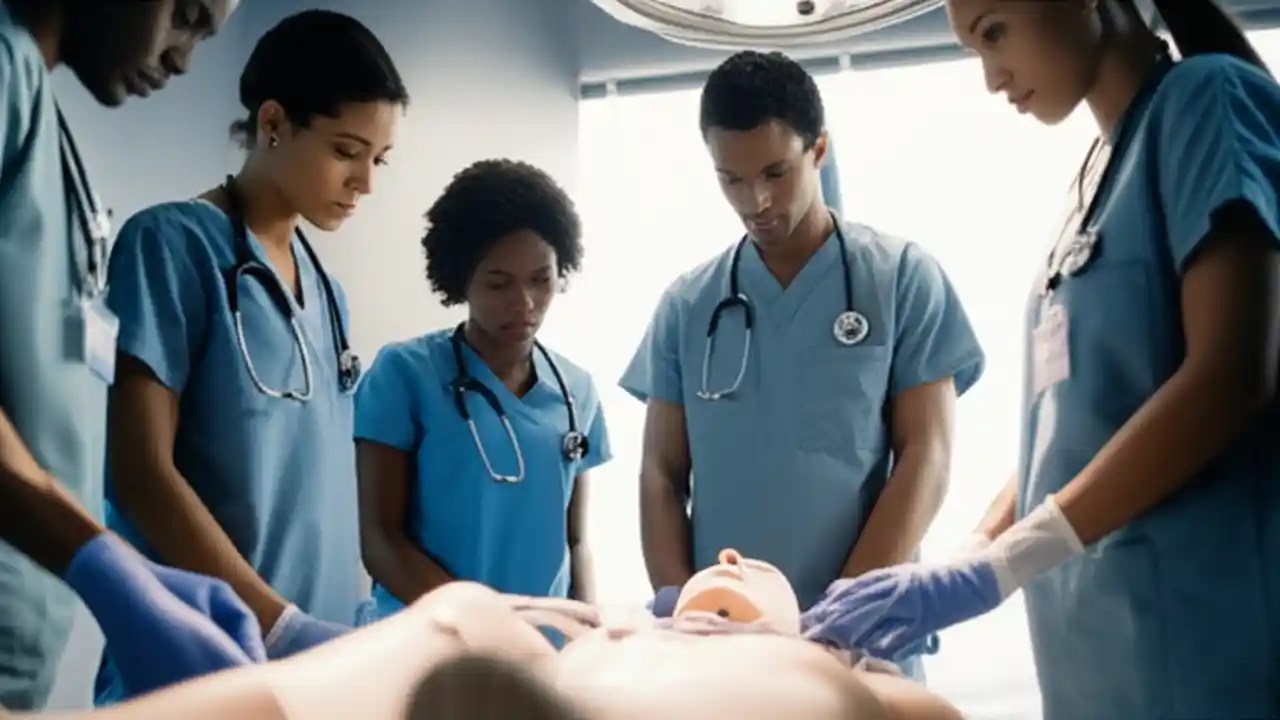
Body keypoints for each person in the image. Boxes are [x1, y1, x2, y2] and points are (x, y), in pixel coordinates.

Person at [801, 1, 1280, 718]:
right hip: (1095, 665)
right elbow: (1070, 434)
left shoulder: (1205, 101)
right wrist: (974, 553)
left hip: (1207, 653)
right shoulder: (1091, 187)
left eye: (995, 33)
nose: (993, 78)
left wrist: (1004, 565)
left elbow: (1232, 377)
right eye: (972, 49)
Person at [618, 49, 985, 674]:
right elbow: (660, 470)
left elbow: (928, 454)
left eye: (775, 172)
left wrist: (845, 616)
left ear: (819, 150)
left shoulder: (900, 278)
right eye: (730, 179)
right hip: (721, 642)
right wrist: (682, 610)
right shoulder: (688, 304)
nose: (755, 201)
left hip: (862, 642)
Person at [98, 8, 409, 701]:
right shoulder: (171, 247)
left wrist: (330, 634)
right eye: (346, 151)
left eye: (378, 160)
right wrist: (274, 625)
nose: (366, 183)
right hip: (199, 659)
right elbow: (140, 471)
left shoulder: (325, 290)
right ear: (273, 122)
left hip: (312, 665)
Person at [0, 0, 248, 710]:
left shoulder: (45, 123)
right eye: (187, 15)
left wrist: (119, 574)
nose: (183, 58)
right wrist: (106, 566)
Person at [0, 558, 964, 720]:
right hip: (533, 687)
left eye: (757, 568)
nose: (729, 552)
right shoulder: (598, 626)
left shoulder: (822, 659)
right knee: (461, 614)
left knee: (788, 692)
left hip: (673, 702)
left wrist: (856, 675)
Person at [355, 159, 612, 622]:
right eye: (499, 283)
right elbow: (381, 541)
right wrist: (485, 626)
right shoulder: (405, 375)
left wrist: (589, 629)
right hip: (425, 643)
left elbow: (575, 542)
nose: (525, 303)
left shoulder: (578, 392)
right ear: (460, 279)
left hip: (542, 652)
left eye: (541, 279)